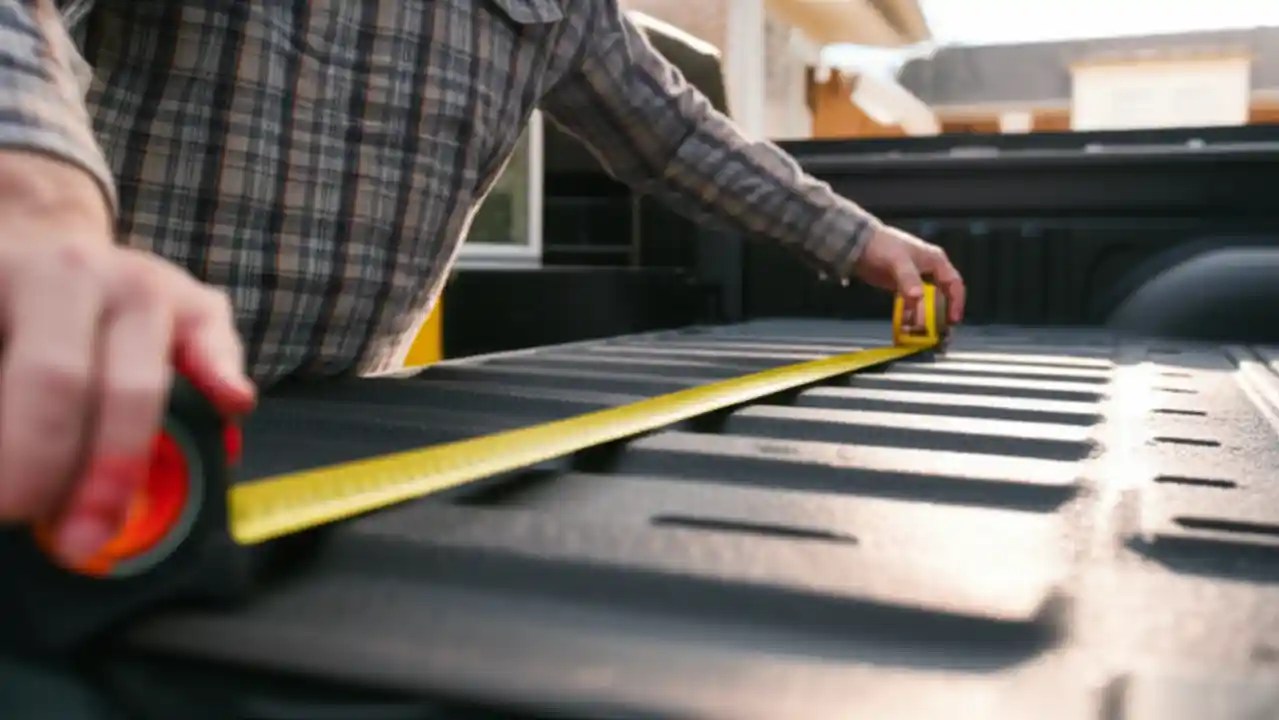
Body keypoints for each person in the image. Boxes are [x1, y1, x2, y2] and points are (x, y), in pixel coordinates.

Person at [0, 0, 965, 567]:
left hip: (349, 445)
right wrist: (36, 187)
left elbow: (671, 134)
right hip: (90, 409)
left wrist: (858, 236)